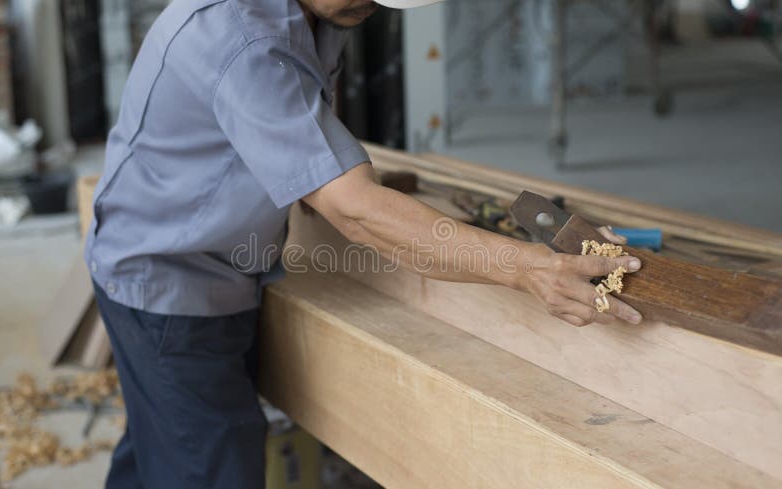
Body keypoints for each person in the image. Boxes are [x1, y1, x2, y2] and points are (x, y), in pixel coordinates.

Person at [86, 0, 643, 487]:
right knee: (208, 462)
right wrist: (528, 268)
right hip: (167, 280)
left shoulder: (323, 13)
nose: (371, 6)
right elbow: (355, 210)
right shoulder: (244, 39)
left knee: (163, 448)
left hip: (218, 265)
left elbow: (306, 142)